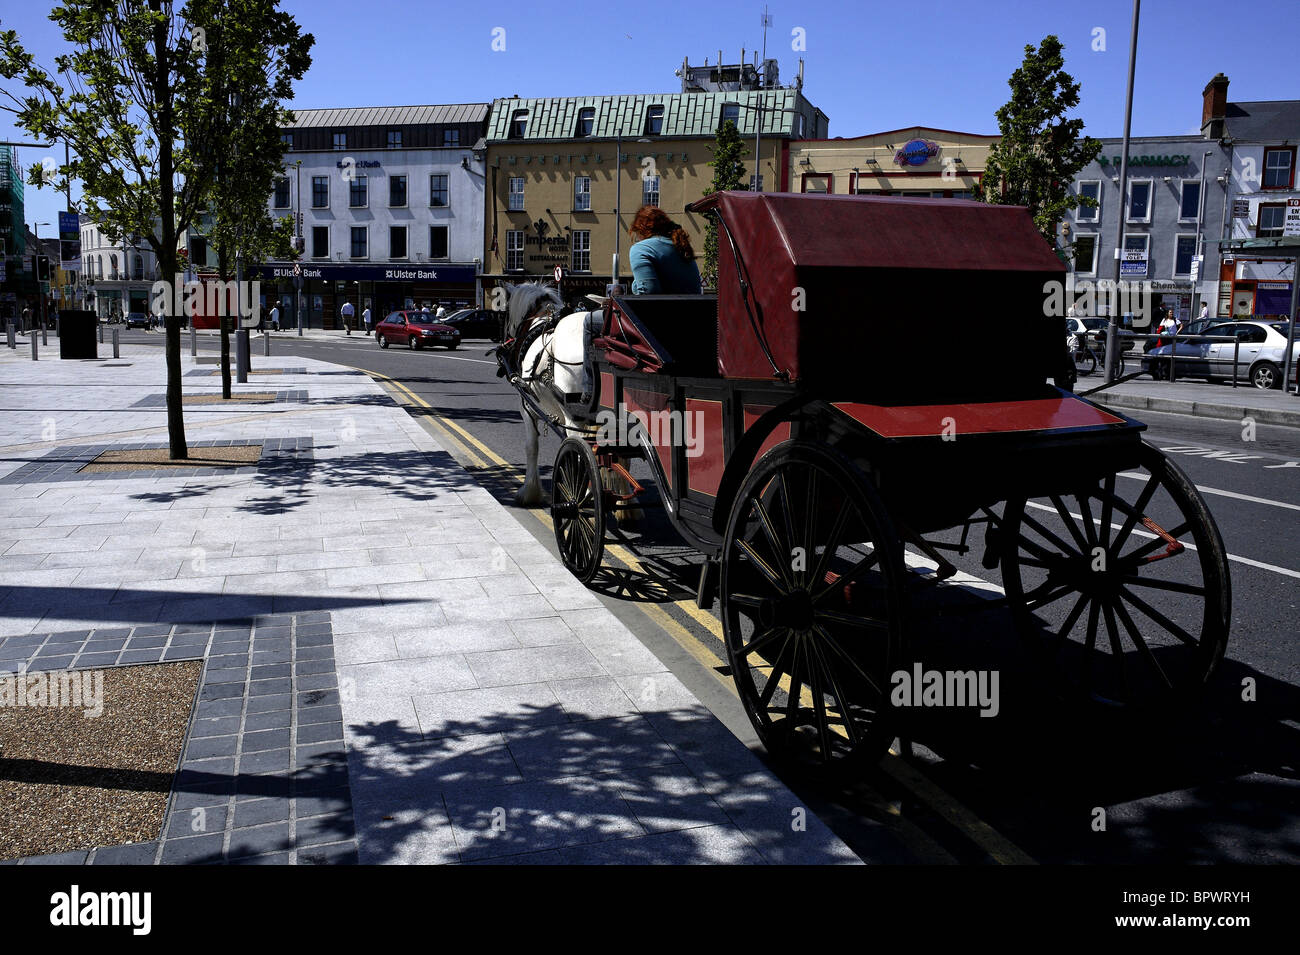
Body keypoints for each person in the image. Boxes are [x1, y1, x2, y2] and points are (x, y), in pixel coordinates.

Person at [627, 206, 702, 295]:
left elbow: (648, 292)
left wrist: (635, 286)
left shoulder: (641, 249)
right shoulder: (682, 247)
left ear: (641, 230)